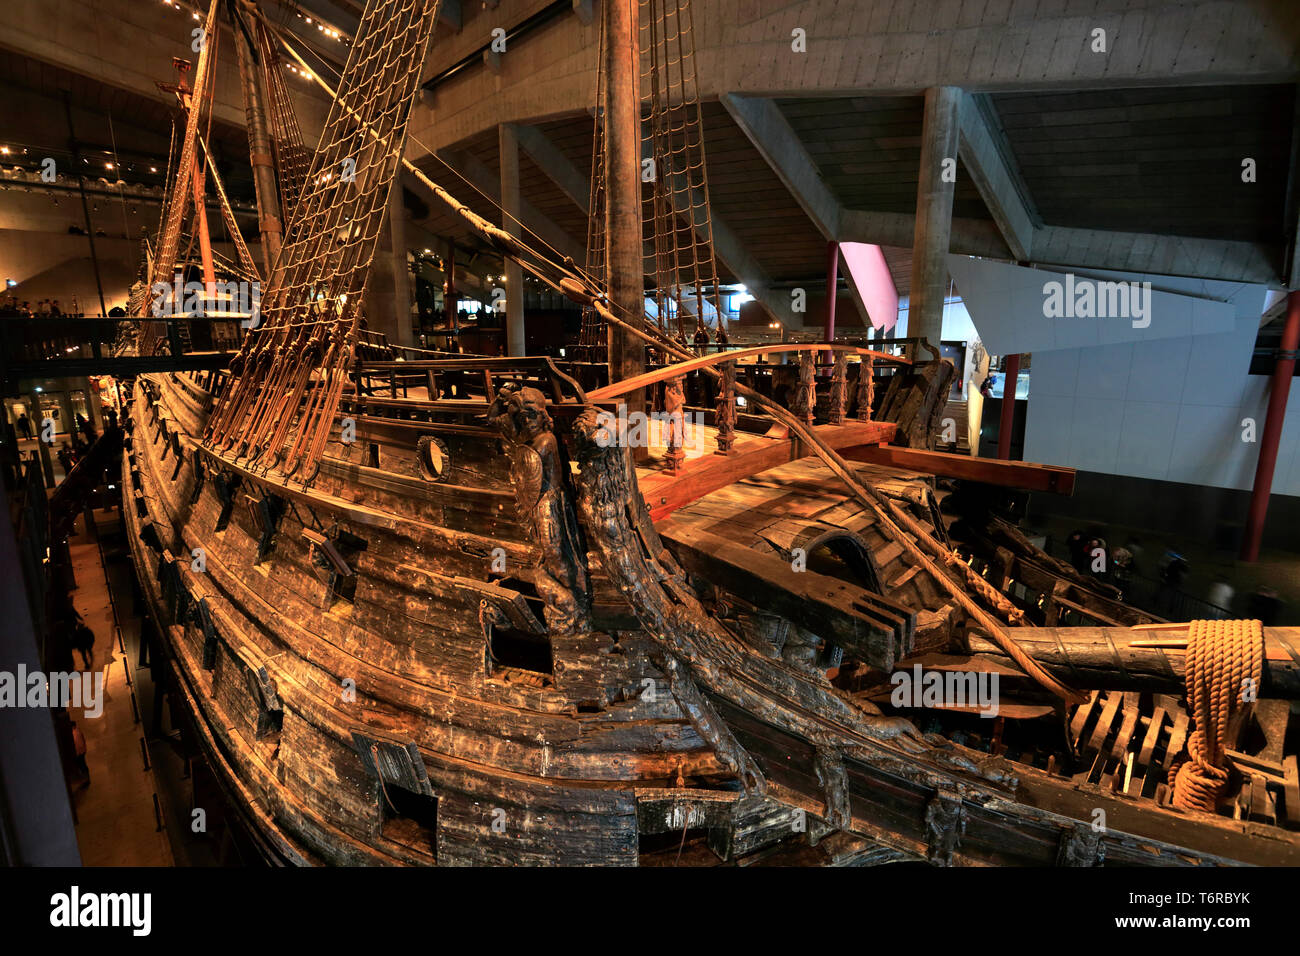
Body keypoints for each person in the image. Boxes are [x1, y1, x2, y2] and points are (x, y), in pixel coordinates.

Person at [70, 720, 89, 785]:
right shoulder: (78, 731)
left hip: (80, 753)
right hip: (82, 751)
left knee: (82, 766)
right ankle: (86, 779)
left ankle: (86, 780)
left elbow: (79, 744)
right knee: (83, 765)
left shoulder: (75, 734)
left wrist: (78, 753)